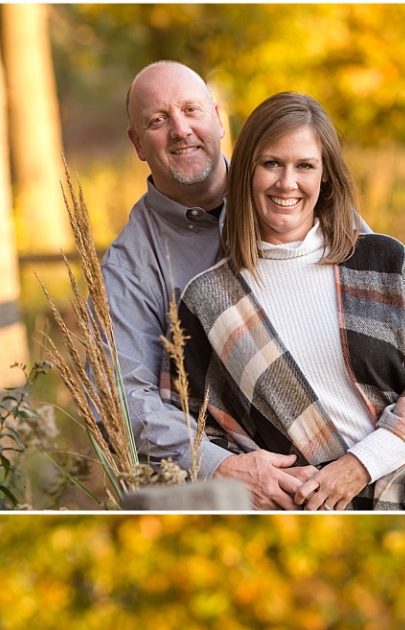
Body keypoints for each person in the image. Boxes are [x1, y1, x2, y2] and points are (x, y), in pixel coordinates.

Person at [174, 93, 405, 511]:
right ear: (246, 172)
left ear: (325, 176)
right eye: (271, 163)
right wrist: (263, 479)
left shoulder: (383, 263)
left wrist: (361, 464)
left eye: (304, 166)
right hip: (303, 511)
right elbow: (194, 429)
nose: (287, 183)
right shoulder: (208, 301)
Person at [104, 61, 314, 509]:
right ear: (137, 144)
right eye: (158, 121)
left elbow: (376, 294)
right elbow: (124, 395)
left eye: (191, 110)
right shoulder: (129, 265)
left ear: (218, 118)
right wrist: (220, 467)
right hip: (244, 480)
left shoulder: (289, 188)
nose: (180, 130)